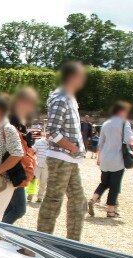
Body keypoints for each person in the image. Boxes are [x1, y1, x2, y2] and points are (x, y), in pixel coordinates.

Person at [37, 61, 88, 241]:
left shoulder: (69, 98)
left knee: (79, 202)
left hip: (69, 158)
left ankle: (74, 242)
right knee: (54, 200)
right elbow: (51, 131)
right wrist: (73, 147)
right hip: (61, 157)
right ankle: (42, 241)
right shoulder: (61, 99)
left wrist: (75, 150)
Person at [88, 101, 133, 219]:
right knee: (114, 186)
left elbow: (100, 143)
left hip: (105, 158)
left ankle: (93, 199)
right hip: (118, 159)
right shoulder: (124, 123)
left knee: (104, 183)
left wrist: (99, 158)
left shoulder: (106, 124)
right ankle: (111, 211)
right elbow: (129, 139)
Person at [3, 86, 38, 224]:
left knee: (10, 208)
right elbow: (15, 153)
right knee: (19, 209)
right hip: (15, 172)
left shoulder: (17, 127)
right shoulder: (13, 128)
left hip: (17, 171)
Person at [31, 134, 49, 203]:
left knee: (43, 182)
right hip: (37, 165)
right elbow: (32, 151)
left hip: (47, 167)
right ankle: (30, 194)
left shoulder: (54, 145)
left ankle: (40, 197)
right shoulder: (39, 142)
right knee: (33, 180)